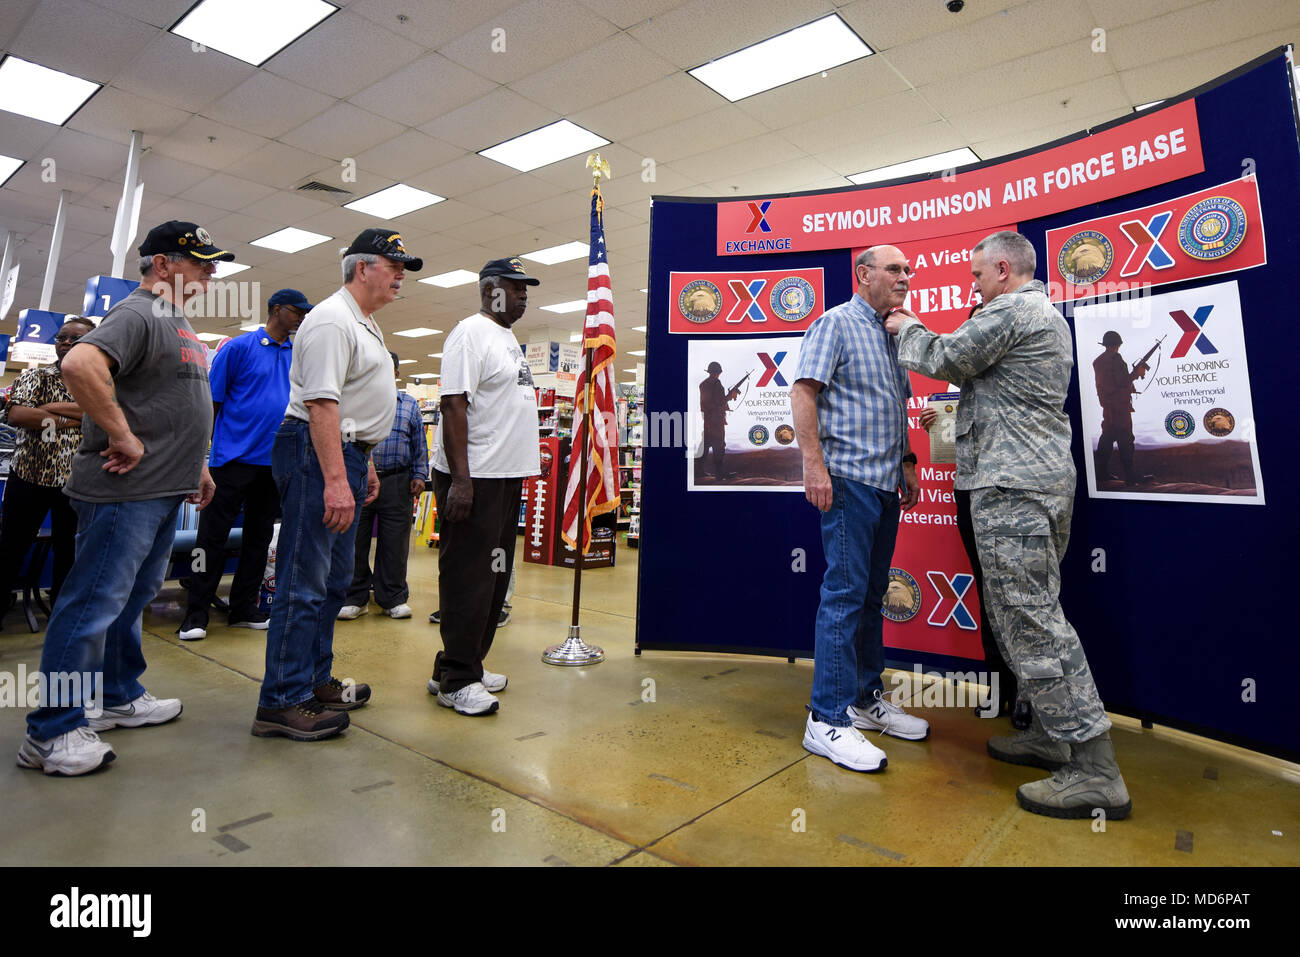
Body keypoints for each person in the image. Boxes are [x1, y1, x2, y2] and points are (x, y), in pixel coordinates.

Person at [885, 230, 1131, 820]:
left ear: (1002, 268)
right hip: (1025, 483)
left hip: (1014, 488)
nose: (971, 285)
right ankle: (1053, 736)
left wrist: (906, 325)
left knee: (1033, 620)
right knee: (1025, 615)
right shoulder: (1035, 313)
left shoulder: (1015, 309)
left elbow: (945, 358)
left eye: (975, 275)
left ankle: (1096, 769)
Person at [17, 221, 222, 776]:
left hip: (163, 487)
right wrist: (122, 434)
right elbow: (80, 364)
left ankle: (117, 695)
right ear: (161, 264)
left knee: (130, 601)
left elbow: (176, 401)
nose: (210, 272)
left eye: (212, 263)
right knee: (90, 605)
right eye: (199, 261)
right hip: (124, 490)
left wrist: (196, 464)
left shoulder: (175, 321)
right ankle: (50, 731)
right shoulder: (138, 312)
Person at [252, 229, 422, 741]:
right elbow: (322, 405)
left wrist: (362, 462)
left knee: (330, 581)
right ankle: (279, 701)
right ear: (361, 267)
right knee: (304, 581)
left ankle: (311, 679)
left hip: (343, 452)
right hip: (313, 450)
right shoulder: (330, 319)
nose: (401, 275)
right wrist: (333, 478)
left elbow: (350, 403)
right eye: (393, 265)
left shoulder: (364, 322)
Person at [790, 245, 927, 774]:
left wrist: (909, 460)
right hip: (847, 480)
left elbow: (896, 402)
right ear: (863, 274)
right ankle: (825, 719)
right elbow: (803, 393)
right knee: (844, 598)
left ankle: (865, 701)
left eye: (907, 269)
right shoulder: (836, 324)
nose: (905, 277)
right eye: (895, 269)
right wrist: (813, 465)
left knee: (871, 596)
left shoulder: (893, 331)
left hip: (887, 482)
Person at [426, 258, 541, 716]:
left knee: (493, 580)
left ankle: (461, 664)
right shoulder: (468, 333)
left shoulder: (506, 338)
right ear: (490, 289)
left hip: (503, 478)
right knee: (468, 580)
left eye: (526, 290)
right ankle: (458, 680)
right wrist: (460, 480)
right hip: (474, 478)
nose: (524, 296)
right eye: (516, 289)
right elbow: (453, 406)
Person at [179, 289, 310, 641]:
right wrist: (202, 458)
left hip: (273, 465)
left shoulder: (298, 354)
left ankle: (243, 609)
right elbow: (211, 405)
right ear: (277, 310)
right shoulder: (238, 348)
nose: (301, 317)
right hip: (231, 461)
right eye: (297, 311)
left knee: (259, 538)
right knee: (209, 540)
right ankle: (195, 613)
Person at [917, 304, 1024, 726]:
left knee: (1023, 597)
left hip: (1014, 491)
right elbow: (949, 447)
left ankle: (1031, 697)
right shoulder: (959, 378)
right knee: (988, 591)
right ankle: (999, 691)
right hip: (970, 489)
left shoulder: (1019, 370)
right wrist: (938, 423)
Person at [0, 316, 94, 630]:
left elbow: (104, 414)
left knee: (70, 551)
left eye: (74, 338)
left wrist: (52, 409)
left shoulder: (98, 383)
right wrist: (77, 418)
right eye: (61, 337)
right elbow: (18, 415)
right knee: (11, 547)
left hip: (76, 483)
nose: (66, 343)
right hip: (30, 477)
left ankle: (63, 617)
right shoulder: (36, 376)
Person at [339, 350, 429, 621]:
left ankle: (392, 597)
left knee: (394, 542)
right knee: (355, 540)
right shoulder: (356, 402)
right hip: (359, 479)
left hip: (397, 480)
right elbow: (346, 438)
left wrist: (419, 475)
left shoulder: (409, 404)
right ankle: (354, 597)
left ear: (396, 374)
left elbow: (418, 445)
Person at [1093, 331, 1148, 486]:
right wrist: (1137, 373)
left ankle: (1102, 472)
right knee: (1126, 439)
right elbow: (1123, 382)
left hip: (1107, 405)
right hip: (1120, 406)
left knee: (1107, 437)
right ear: (1118, 344)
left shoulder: (1098, 361)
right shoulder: (1116, 359)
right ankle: (1130, 475)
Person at [698, 361, 739, 480]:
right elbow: (720, 402)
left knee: (705, 444)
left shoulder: (703, 384)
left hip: (707, 419)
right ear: (718, 372)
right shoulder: (716, 383)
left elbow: (709, 402)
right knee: (719, 445)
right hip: (716, 420)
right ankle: (719, 474)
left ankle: (698, 470)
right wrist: (731, 395)